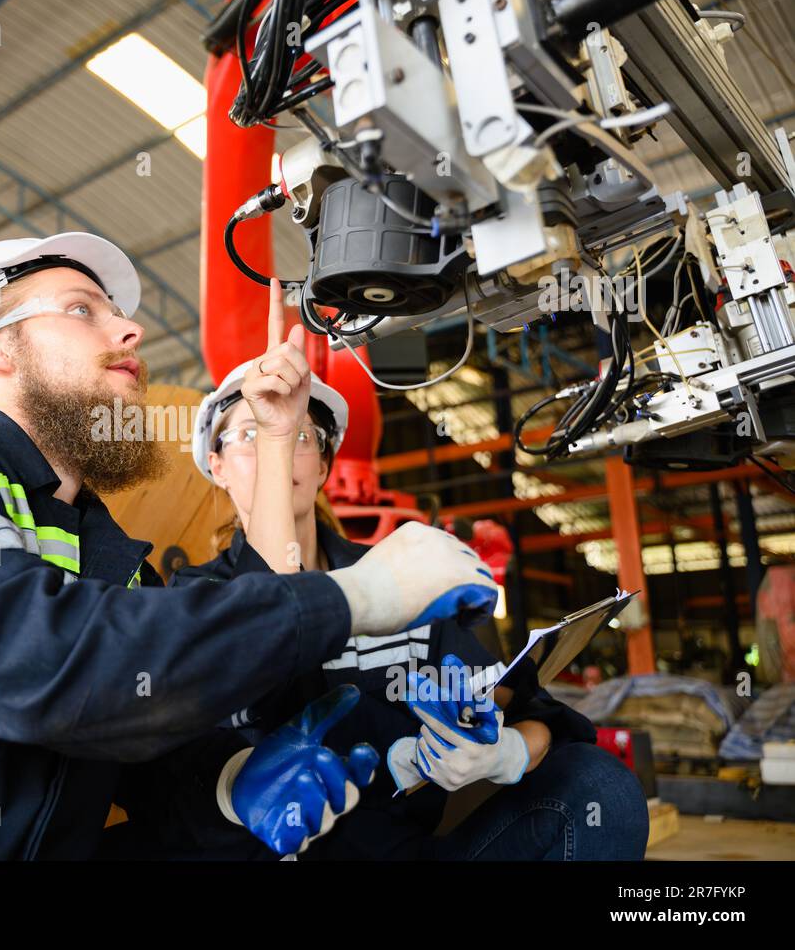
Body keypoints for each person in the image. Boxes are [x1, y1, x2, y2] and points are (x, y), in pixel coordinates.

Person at [0, 234, 498, 859]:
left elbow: (127, 730)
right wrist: (356, 596)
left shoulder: (100, 546)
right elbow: (32, 667)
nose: (130, 330)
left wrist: (230, 782)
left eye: (119, 313)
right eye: (82, 309)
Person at [102, 279, 649, 860]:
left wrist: (503, 752)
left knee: (597, 787)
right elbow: (165, 782)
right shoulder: (194, 599)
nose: (276, 451)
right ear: (216, 466)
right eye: (250, 435)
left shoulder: (405, 580)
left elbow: (530, 706)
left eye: (298, 436)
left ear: (323, 465)